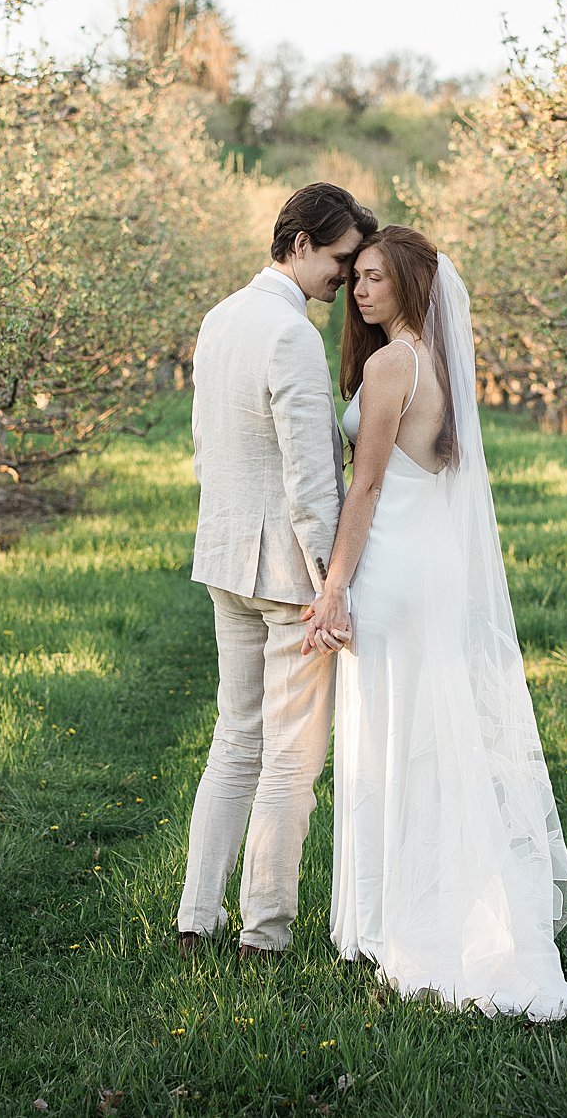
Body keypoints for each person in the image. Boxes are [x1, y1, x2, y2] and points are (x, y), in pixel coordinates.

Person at [314, 225, 567, 1019]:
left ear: (407, 282)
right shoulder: (437, 364)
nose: (361, 290)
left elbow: (365, 489)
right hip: (431, 569)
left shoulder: (391, 363)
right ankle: (437, 896)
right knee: (431, 741)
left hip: (394, 572)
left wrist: (334, 586)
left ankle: (403, 913)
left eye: (375, 277)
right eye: (356, 277)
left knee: (394, 737)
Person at [175, 182, 377, 957]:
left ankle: (198, 917)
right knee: (291, 755)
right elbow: (311, 477)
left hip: (226, 556)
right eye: (337, 259)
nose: (345, 278)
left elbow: (206, 447)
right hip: (289, 576)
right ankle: (265, 931)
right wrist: (333, 581)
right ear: (298, 244)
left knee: (236, 738)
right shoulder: (290, 335)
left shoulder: (221, 317)